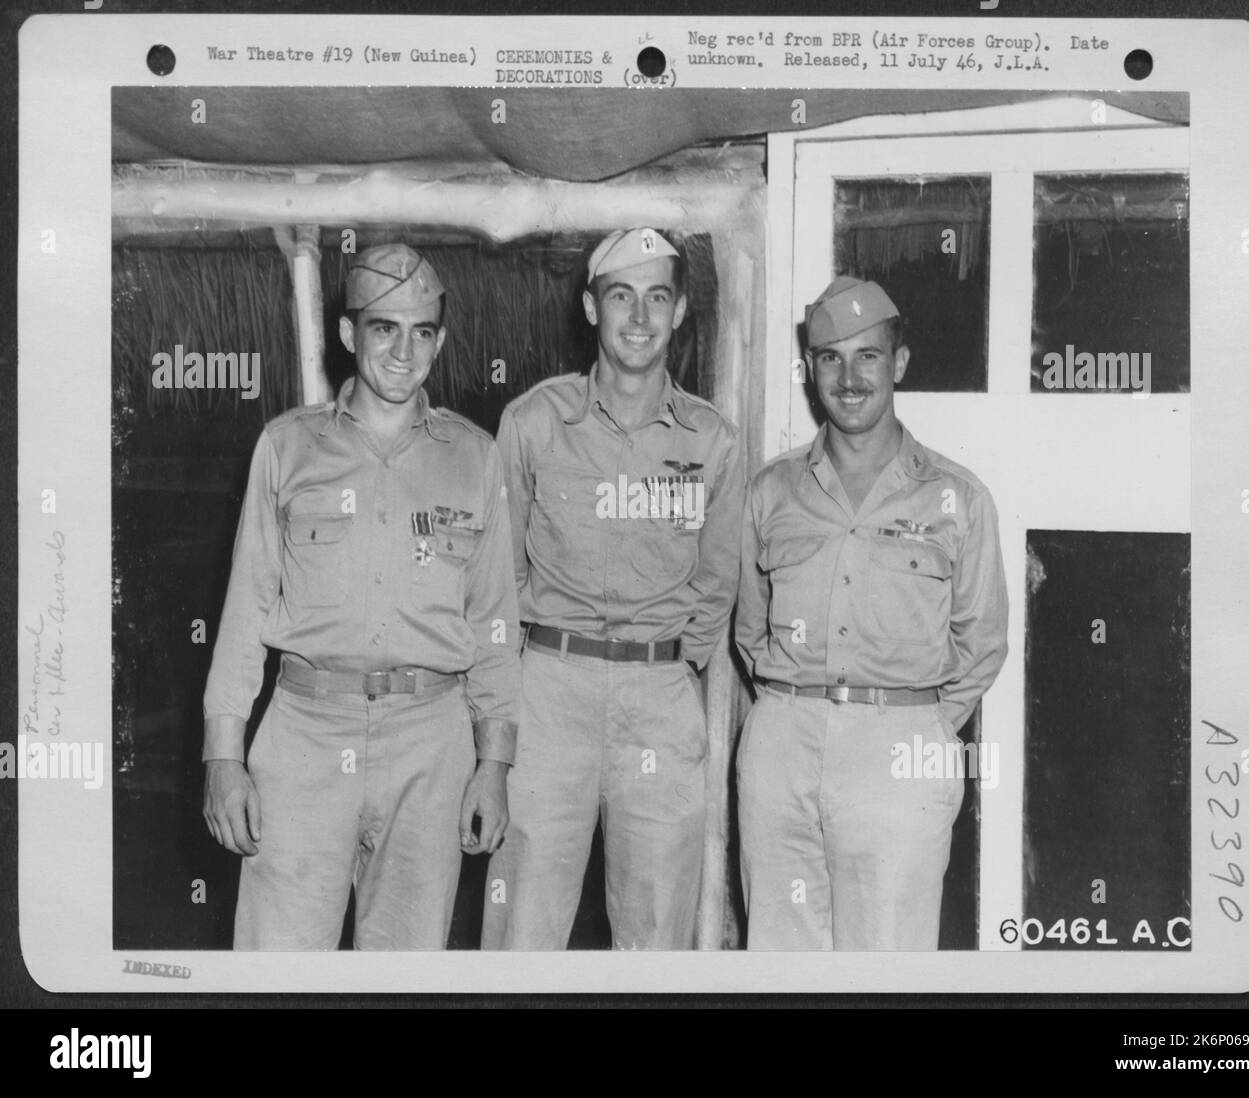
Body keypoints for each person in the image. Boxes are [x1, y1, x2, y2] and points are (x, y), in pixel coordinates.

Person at [201, 243, 520, 950]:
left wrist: (494, 763)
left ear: (438, 340)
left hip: (430, 742)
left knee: (405, 976)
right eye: (385, 328)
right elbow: (245, 613)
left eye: (423, 331)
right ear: (350, 335)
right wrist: (222, 757)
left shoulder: (474, 457)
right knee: (277, 969)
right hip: (306, 737)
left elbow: (495, 623)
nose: (404, 351)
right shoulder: (286, 449)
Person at [482, 228, 742, 950]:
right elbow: (499, 577)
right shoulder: (534, 423)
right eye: (620, 296)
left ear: (681, 309)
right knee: (522, 924)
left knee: (656, 931)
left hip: (659, 697)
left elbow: (718, 581)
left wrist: (666, 663)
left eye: (657, 297)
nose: (638, 317)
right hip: (550, 691)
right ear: (592, 308)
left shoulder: (711, 441)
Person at [734, 276, 1008, 950]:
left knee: (887, 963)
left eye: (868, 357)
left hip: (901, 747)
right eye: (830, 357)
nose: (848, 377)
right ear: (810, 369)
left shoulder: (955, 496)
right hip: (783, 746)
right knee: (780, 960)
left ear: (900, 364)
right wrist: (794, 711)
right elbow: (748, 627)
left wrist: (920, 729)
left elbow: (984, 642)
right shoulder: (771, 491)